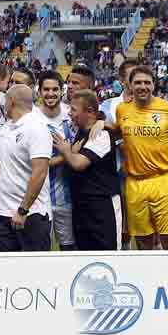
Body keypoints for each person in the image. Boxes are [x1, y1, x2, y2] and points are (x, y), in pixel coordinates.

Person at [114, 66, 168, 250]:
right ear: (129, 85)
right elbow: (117, 133)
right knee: (142, 241)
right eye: (137, 82)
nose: (142, 86)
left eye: (147, 82)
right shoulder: (122, 110)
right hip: (135, 182)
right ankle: (149, 279)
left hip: (164, 180)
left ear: (154, 85)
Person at [0, 85, 53, 251]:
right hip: (2, 212)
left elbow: (40, 171)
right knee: (5, 272)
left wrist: (23, 210)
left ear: (11, 101)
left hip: (32, 214)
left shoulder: (37, 128)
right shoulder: (6, 127)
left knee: (35, 272)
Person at [56, 90, 122, 250]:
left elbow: (79, 163)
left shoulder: (101, 135)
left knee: (108, 257)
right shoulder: (82, 132)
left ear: (90, 112)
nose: (69, 114)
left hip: (102, 207)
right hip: (82, 207)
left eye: (73, 110)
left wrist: (66, 151)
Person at [101, 58, 138, 250]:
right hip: (115, 177)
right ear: (122, 80)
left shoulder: (151, 106)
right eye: (131, 78)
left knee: (148, 233)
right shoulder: (107, 107)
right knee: (120, 231)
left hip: (144, 178)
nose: (136, 82)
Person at [38, 71, 77, 250]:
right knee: (41, 249)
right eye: (46, 89)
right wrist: (64, 156)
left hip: (67, 197)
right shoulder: (32, 118)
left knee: (69, 248)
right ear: (39, 91)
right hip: (38, 197)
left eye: (55, 89)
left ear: (62, 91)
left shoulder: (72, 115)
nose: (50, 93)